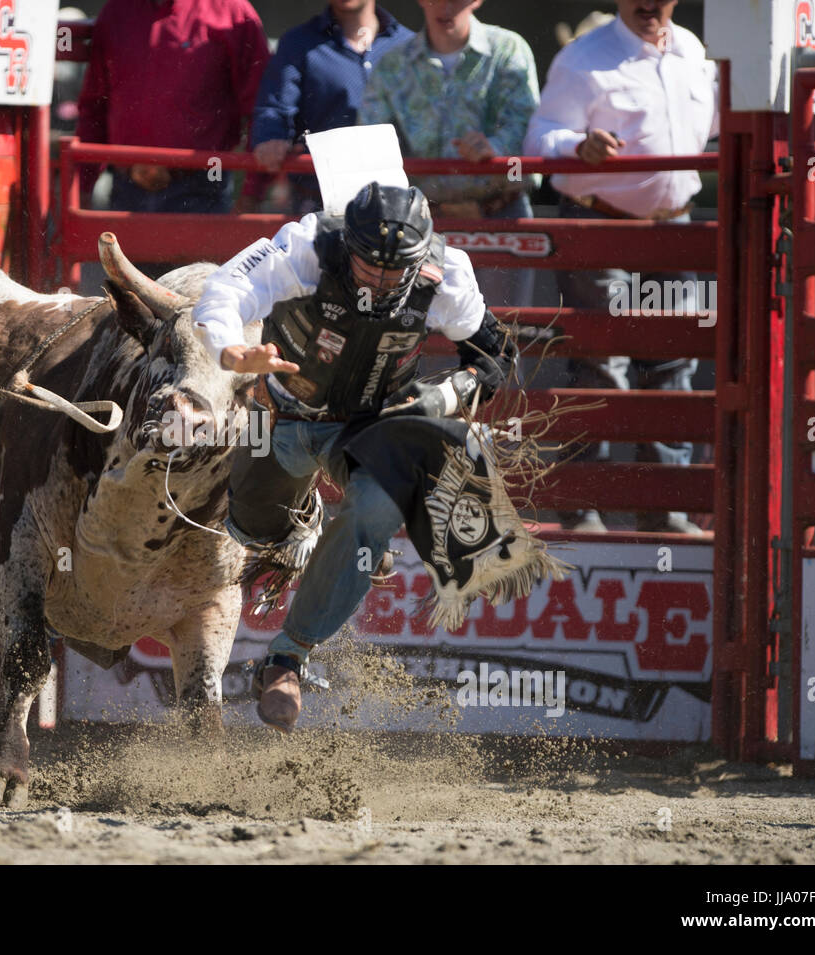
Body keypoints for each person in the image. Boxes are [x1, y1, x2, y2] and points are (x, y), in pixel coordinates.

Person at [192, 182, 564, 732]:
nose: (384, 281)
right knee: (252, 526)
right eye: (370, 266)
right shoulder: (305, 247)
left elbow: (493, 353)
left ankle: (289, 655)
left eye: (398, 271)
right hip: (279, 418)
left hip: (374, 425)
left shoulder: (446, 273)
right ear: (348, 248)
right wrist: (229, 348)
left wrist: (451, 392)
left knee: (378, 505)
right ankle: (327, 533)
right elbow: (227, 288)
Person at [523, 0, 718, 535]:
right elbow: (539, 138)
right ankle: (586, 507)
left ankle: (663, 509)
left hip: (672, 232)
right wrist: (576, 145)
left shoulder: (692, 52)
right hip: (602, 228)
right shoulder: (583, 58)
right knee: (603, 363)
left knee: (672, 365)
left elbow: (715, 128)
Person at [359, 0, 539, 313]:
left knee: (504, 334)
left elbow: (529, 125)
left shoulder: (509, 49)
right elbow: (373, 142)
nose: (446, 7)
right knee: (426, 337)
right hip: (426, 222)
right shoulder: (392, 64)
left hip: (500, 212)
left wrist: (496, 148)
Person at [75, 0, 270, 217]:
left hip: (203, 186)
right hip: (127, 185)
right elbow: (94, 107)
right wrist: (81, 188)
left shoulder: (232, 11)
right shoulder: (116, 11)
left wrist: (251, 196)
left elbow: (261, 107)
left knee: (202, 252)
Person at [248, 0, 413, 214]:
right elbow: (274, 110)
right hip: (319, 201)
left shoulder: (410, 45)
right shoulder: (297, 43)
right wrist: (271, 139)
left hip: (397, 201)